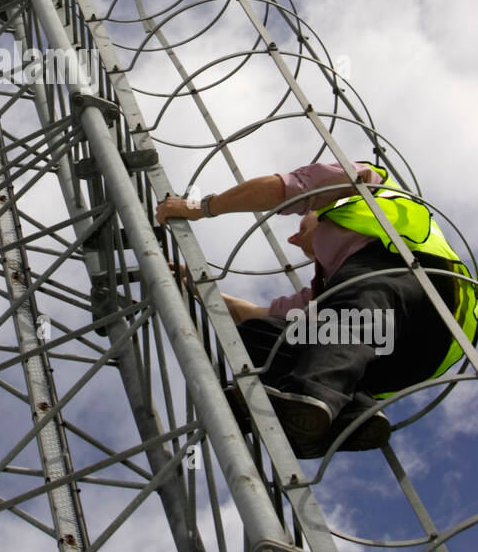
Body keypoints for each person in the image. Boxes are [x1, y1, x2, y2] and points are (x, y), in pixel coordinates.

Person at [155, 161, 474, 457]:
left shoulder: (364, 187)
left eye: (299, 227)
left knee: (355, 299)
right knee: (259, 336)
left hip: (425, 289)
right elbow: (258, 315)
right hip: (406, 362)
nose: (294, 239)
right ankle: (349, 416)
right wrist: (193, 285)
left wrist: (199, 207)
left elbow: (285, 189)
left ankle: (316, 394)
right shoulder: (329, 291)